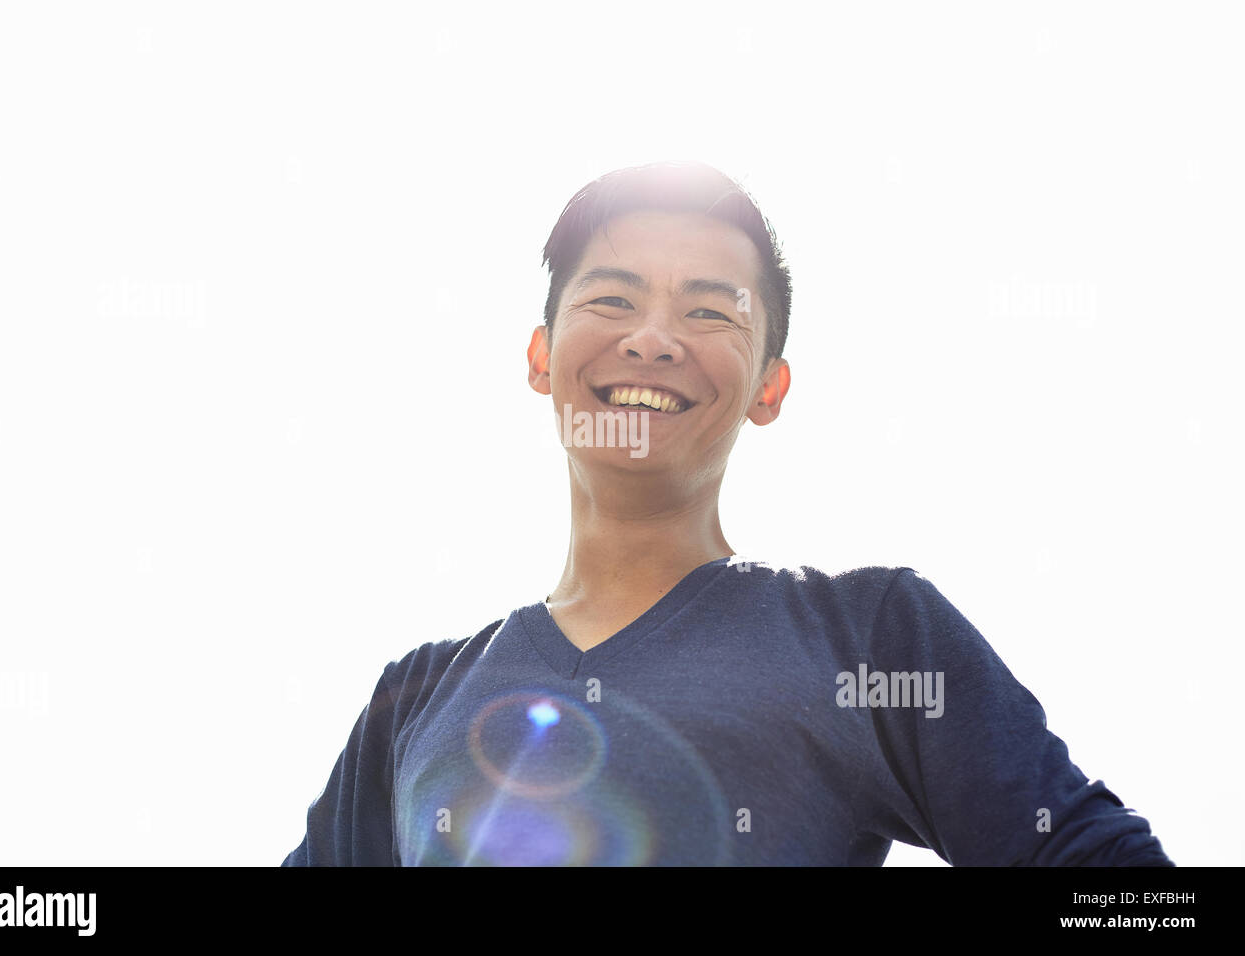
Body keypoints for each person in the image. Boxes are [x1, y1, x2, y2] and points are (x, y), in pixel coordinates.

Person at [282, 161, 1173, 866]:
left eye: (710, 310)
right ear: (541, 356)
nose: (653, 338)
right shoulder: (413, 705)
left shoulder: (871, 638)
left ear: (768, 388)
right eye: (612, 299)